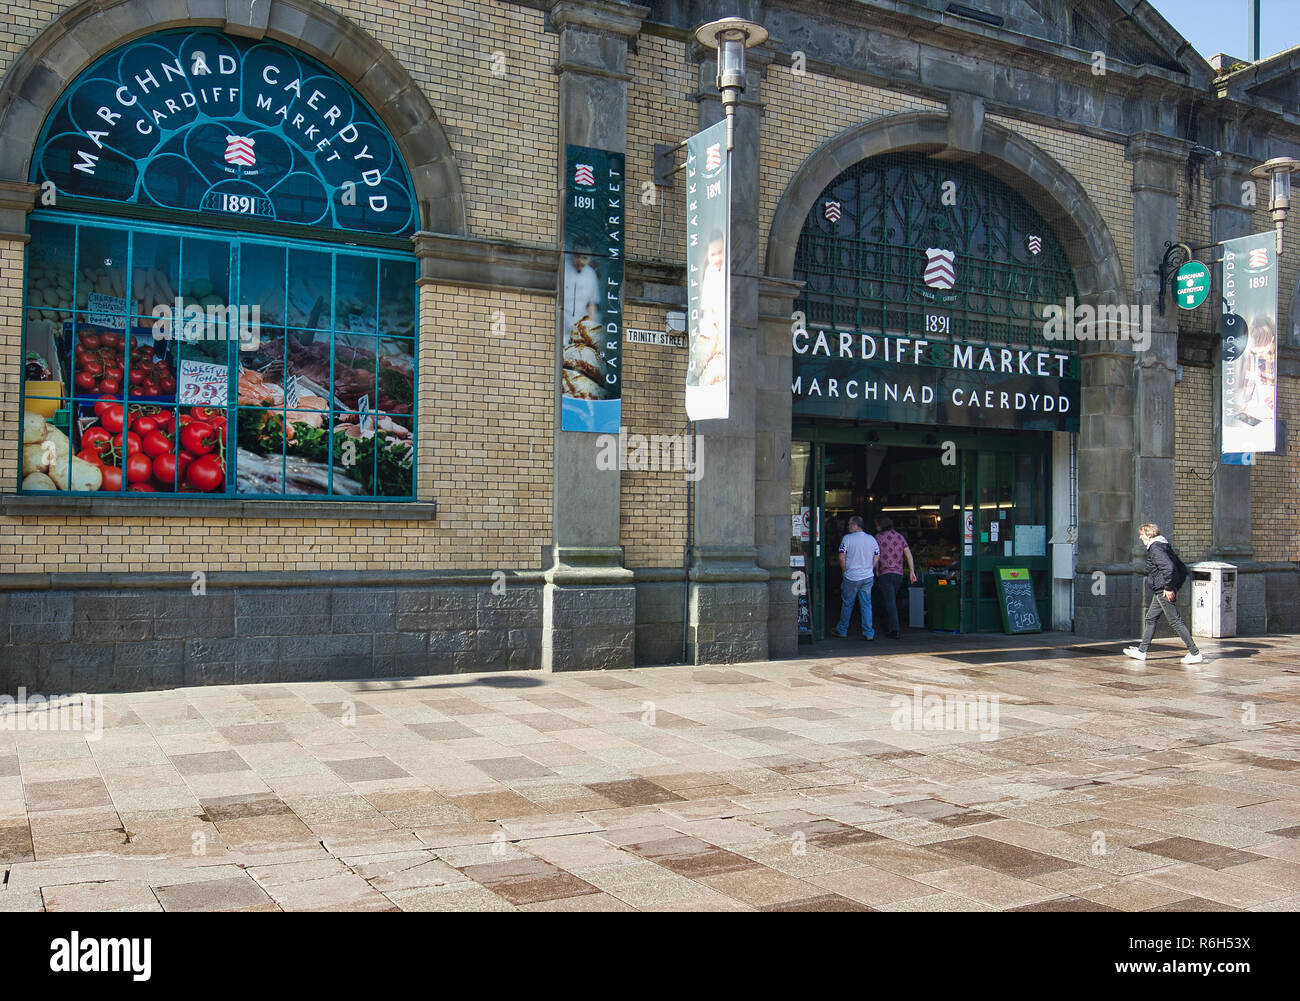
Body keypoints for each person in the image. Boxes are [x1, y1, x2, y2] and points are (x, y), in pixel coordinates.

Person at [1124, 523, 1202, 665]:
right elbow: (1181, 569)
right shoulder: (1163, 546)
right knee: (1150, 618)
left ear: (1149, 535)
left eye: (1141, 534)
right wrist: (1172, 586)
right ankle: (1142, 651)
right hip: (1161, 588)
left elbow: (1169, 568)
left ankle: (1194, 652)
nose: (1140, 537)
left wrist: (1169, 588)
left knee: (1174, 620)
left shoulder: (1155, 548)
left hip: (1163, 590)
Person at [688, 231, 726, 387]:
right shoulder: (710, 274)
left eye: (719, 253)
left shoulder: (725, 276)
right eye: (713, 254)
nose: (716, 258)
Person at [834, 515, 880, 639]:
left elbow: (841, 556)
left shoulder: (847, 539)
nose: (848, 527)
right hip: (867, 576)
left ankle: (842, 630)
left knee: (847, 604)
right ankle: (868, 632)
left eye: (849, 524)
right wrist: (870, 568)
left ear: (855, 525)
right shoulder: (871, 539)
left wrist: (844, 570)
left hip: (852, 576)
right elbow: (876, 556)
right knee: (866, 605)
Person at [873, 515, 918, 640]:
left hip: (885, 573)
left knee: (889, 601)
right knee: (891, 600)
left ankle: (895, 629)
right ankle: (888, 626)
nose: (876, 527)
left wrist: (875, 569)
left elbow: (876, 556)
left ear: (882, 525)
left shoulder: (878, 538)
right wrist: (911, 571)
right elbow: (908, 555)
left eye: (877, 525)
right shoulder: (900, 537)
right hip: (898, 574)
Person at [563, 240, 600, 331]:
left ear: (589, 259)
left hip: (581, 325)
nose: (580, 261)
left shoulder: (591, 274)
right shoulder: (563, 268)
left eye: (584, 258)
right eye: (577, 256)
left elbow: (591, 304)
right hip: (563, 322)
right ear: (572, 255)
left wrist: (591, 327)